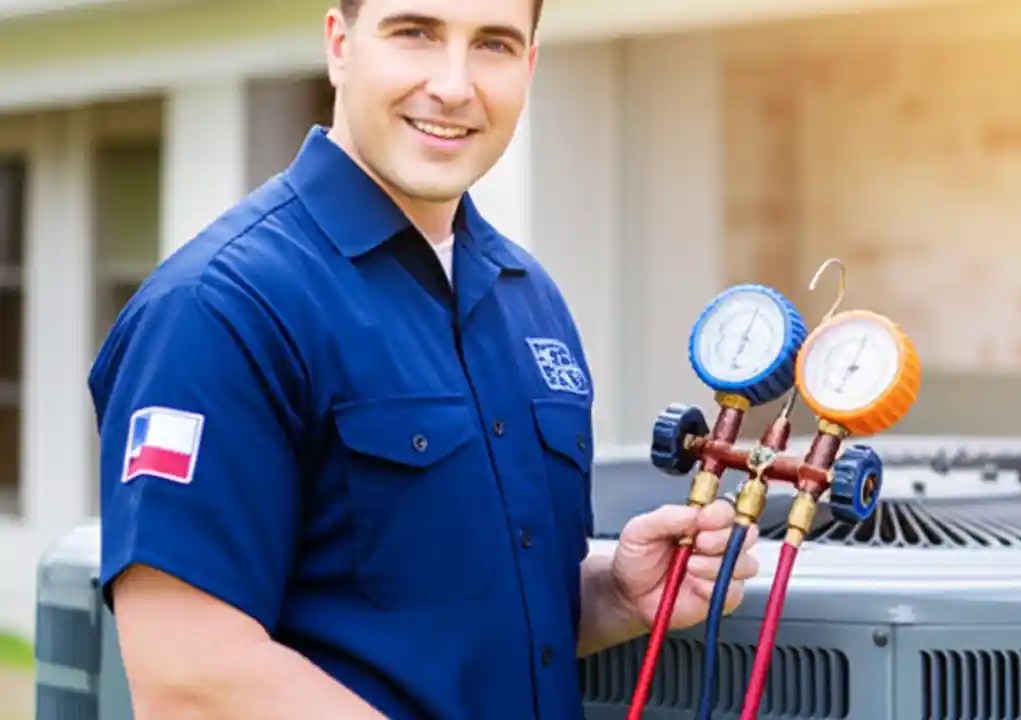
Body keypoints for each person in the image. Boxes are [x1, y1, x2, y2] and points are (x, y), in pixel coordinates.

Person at [86, 0, 761, 717]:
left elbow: (453, 629)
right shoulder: (221, 307)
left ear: (529, 64)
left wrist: (613, 596)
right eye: (416, 34)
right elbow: (190, 675)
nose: (453, 85)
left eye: (493, 45)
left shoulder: (527, 298)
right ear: (340, 45)